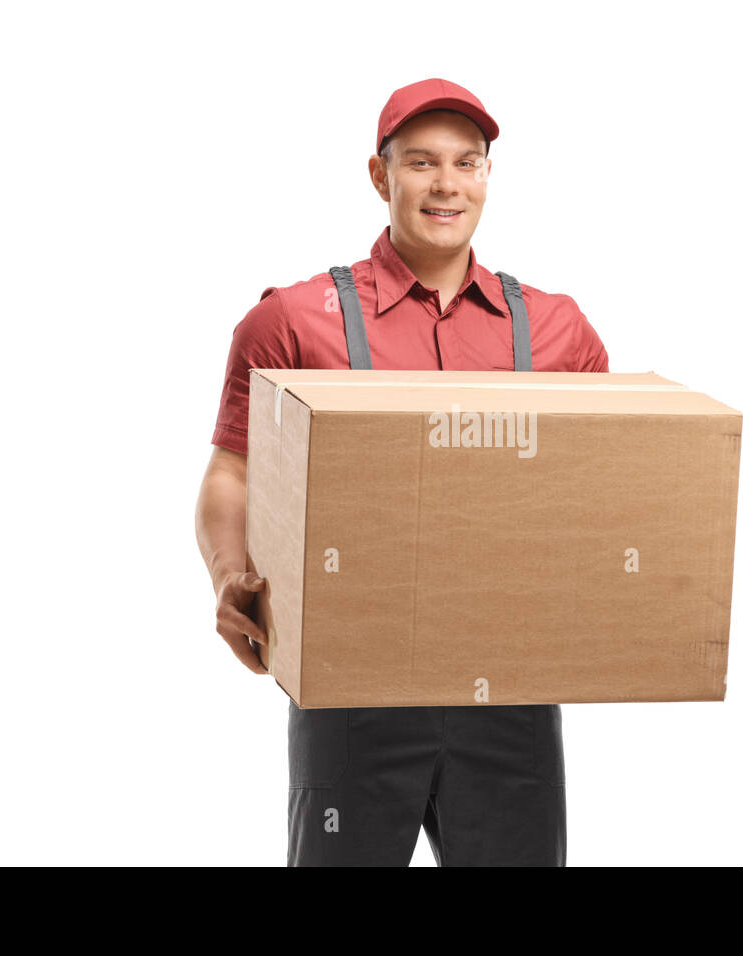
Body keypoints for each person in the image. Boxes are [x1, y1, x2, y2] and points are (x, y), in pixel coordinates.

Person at [194, 78, 609, 866]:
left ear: (487, 175)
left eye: (467, 162)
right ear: (381, 177)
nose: (446, 185)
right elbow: (231, 471)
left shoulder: (560, 331)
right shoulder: (291, 320)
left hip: (510, 697)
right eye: (420, 163)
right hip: (352, 694)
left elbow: (591, 495)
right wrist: (227, 575)